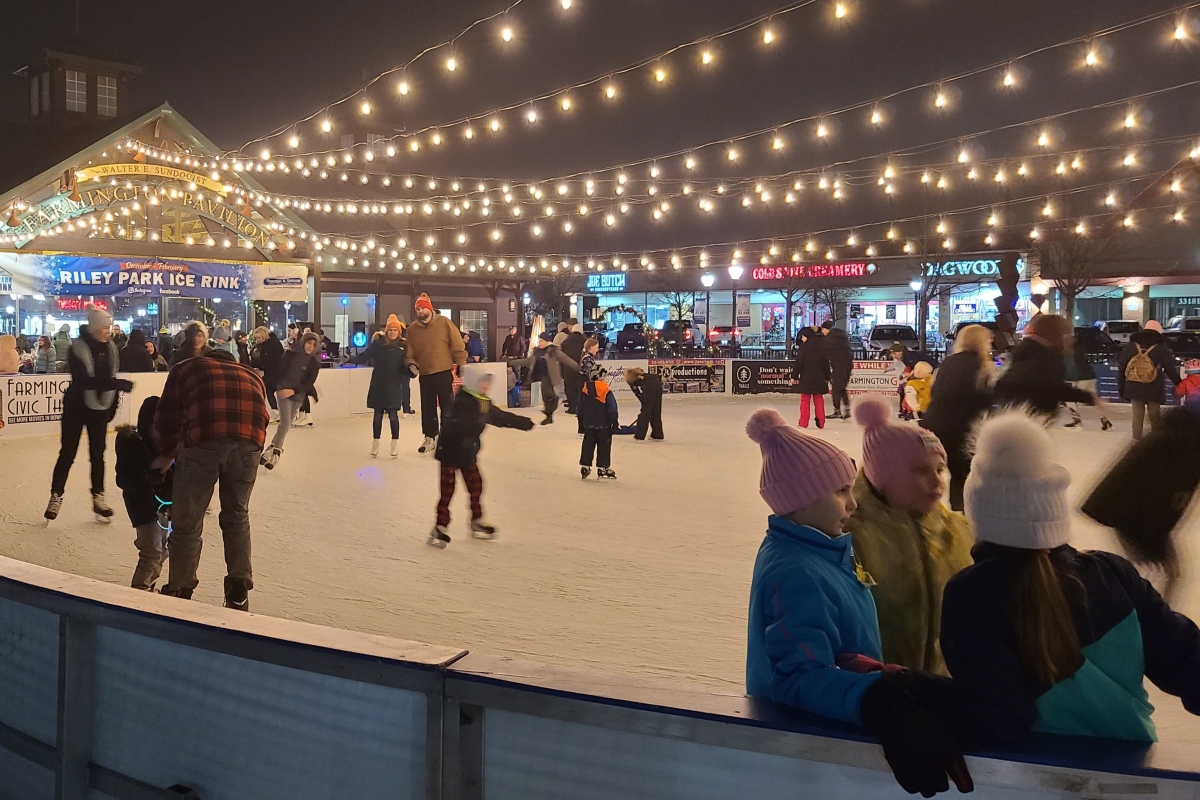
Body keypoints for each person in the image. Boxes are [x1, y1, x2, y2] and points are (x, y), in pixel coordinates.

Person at [744, 408, 972, 797]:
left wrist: (887, 676)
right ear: (799, 500)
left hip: (839, 720)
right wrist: (875, 699)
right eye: (840, 492)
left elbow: (839, 649)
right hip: (808, 747)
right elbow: (798, 675)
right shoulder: (796, 571)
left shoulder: (826, 550)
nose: (852, 504)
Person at [941, 409, 1200, 745]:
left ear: (979, 513)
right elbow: (1185, 661)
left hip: (1036, 778)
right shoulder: (1112, 574)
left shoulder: (973, 595)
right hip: (1130, 766)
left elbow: (998, 716)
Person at [846, 397, 972, 675]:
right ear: (884, 478)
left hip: (948, 691)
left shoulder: (958, 529)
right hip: (879, 693)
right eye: (920, 471)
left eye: (940, 469)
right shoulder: (852, 536)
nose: (937, 480)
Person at [151, 347, 269, 610]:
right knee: (237, 515)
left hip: (205, 440)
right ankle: (239, 587)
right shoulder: (252, 374)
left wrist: (167, 454)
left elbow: (167, 416)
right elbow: (264, 417)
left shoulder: (187, 368)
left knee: (188, 520)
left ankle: (180, 587)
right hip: (250, 442)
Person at [45, 305, 134, 522]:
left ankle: (98, 497)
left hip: (100, 410)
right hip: (76, 406)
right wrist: (117, 384)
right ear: (95, 328)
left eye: (109, 326)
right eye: (105, 327)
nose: (109, 330)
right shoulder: (77, 349)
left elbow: (109, 378)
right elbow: (84, 381)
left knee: (97, 454)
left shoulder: (111, 348)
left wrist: (110, 405)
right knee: (68, 452)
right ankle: (56, 495)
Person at [429, 370, 534, 547]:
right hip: (450, 451)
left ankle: (476, 520)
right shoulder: (461, 401)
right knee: (447, 491)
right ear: (472, 383)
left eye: (488, 384)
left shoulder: (482, 402)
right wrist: (465, 434)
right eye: (482, 383)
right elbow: (453, 424)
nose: (486, 387)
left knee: (476, 485)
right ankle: (440, 526)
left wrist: (521, 422)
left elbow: (499, 417)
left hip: (467, 452)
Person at [921, 324, 995, 511]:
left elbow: (935, 391)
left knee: (934, 473)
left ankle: (929, 513)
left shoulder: (948, 362)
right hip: (961, 429)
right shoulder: (981, 366)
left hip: (934, 425)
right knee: (962, 476)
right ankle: (960, 518)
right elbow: (984, 399)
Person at [115, 397, 173, 591]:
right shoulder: (131, 443)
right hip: (141, 504)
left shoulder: (167, 445)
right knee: (152, 550)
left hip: (162, 504)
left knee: (164, 548)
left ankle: (149, 585)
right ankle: (140, 591)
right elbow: (124, 479)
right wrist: (153, 473)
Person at [994, 314, 1098, 419]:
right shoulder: (1044, 356)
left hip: (1017, 412)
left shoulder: (1027, 351)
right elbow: (1052, 387)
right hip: (1033, 414)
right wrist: (1087, 397)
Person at [405, 293, 468, 453]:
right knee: (427, 408)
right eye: (417, 309)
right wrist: (411, 363)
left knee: (447, 407)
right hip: (425, 374)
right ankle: (429, 437)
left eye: (422, 308)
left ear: (429, 308)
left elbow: (457, 342)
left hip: (443, 372)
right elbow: (410, 350)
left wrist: (461, 362)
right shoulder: (412, 330)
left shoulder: (444, 323)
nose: (420, 311)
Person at [351, 315, 408, 457]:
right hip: (379, 384)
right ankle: (375, 443)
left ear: (399, 331)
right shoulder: (378, 344)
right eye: (390, 330)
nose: (392, 332)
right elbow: (364, 356)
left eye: (395, 330)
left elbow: (408, 364)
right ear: (386, 331)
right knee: (377, 416)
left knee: (393, 416)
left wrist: (413, 370)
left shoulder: (403, 346)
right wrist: (350, 359)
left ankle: (394, 443)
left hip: (394, 385)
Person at [262, 332, 321, 469]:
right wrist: (278, 388)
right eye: (308, 343)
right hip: (283, 392)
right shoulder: (289, 355)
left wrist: (294, 391)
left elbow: (308, 383)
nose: (310, 347)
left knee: (285, 426)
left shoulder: (314, 363)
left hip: (298, 396)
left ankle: (268, 450)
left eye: (313, 345)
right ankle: (276, 453)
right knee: (285, 422)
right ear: (303, 342)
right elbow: (279, 371)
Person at [1118, 319, 1180, 441]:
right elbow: (1170, 369)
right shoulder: (1161, 347)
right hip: (1154, 386)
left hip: (1134, 384)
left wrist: (1121, 386)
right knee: (1154, 415)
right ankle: (1156, 442)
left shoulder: (1132, 345)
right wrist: (1180, 383)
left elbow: (1122, 366)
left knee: (1137, 415)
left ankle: (1136, 441)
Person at [511, 333, 580, 425]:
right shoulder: (537, 351)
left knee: (547, 393)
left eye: (541, 341)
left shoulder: (553, 351)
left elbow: (566, 359)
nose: (539, 342)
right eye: (539, 340)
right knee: (545, 397)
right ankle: (549, 415)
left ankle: (554, 401)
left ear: (547, 341)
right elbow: (527, 361)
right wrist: (512, 362)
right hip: (540, 375)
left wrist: (578, 367)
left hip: (550, 376)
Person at [1064, 334, 1113, 431]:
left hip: (1079, 379)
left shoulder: (1066, 352)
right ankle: (1105, 420)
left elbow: (1071, 368)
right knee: (1094, 400)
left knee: (1069, 400)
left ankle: (1077, 421)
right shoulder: (1079, 349)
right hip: (1090, 377)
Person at [579, 372, 619, 480]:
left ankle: (585, 466)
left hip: (588, 424)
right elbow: (612, 406)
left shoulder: (584, 389)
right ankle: (602, 468)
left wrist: (581, 423)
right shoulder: (605, 389)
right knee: (604, 445)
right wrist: (614, 420)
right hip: (604, 425)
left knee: (588, 444)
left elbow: (580, 408)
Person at [791, 327, 830, 429]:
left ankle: (803, 422)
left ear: (807, 337)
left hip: (806, 379)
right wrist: (827, 377)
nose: (802, 339)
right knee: (819, 400)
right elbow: (825, 364)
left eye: (803, 337)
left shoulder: (804, 347)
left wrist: (793, 376)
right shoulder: (822, 346)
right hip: (819, 378)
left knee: (805, 400)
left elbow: (798, 363)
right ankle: (821, 422)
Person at [820, 320, 854, 419]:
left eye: (823, 329)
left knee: (836, 389)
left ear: (826, 329)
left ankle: (837, 410)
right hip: (845, 366)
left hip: (839, 367)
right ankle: (847, 410)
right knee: (841, 388)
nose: (822, 332)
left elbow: (824, 351)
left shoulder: (830, 338)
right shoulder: (841, 337)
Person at [250, 326, 285, 418]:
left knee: (268, 389)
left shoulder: (272, 344)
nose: (258, 340)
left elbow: (272, 359)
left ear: (264, 335)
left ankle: (275, 411)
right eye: (256, 338)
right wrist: (260, 367)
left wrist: (262, 367)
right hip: (271, 372)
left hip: (275, 372)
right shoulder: (266, 344)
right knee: (268, 390)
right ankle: (276, 411)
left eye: (259, 337)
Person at [625, 367, 664, 440]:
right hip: (658, 385)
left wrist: (645, 405)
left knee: (644, 415)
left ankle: (639, 435)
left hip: (650, 389)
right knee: (655, 412)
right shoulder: (647, 376)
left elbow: (638, 394)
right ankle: (657, 434)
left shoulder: (632, 381)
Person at [560, 323, 587, 415]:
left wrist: (561, 370)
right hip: (582, 369)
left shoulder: (565, 343)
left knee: (570, 389)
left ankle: (572, 408)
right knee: (581, 389)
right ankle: (581, 408)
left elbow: (561, 358)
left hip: (568, 369)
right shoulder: (585, 342)